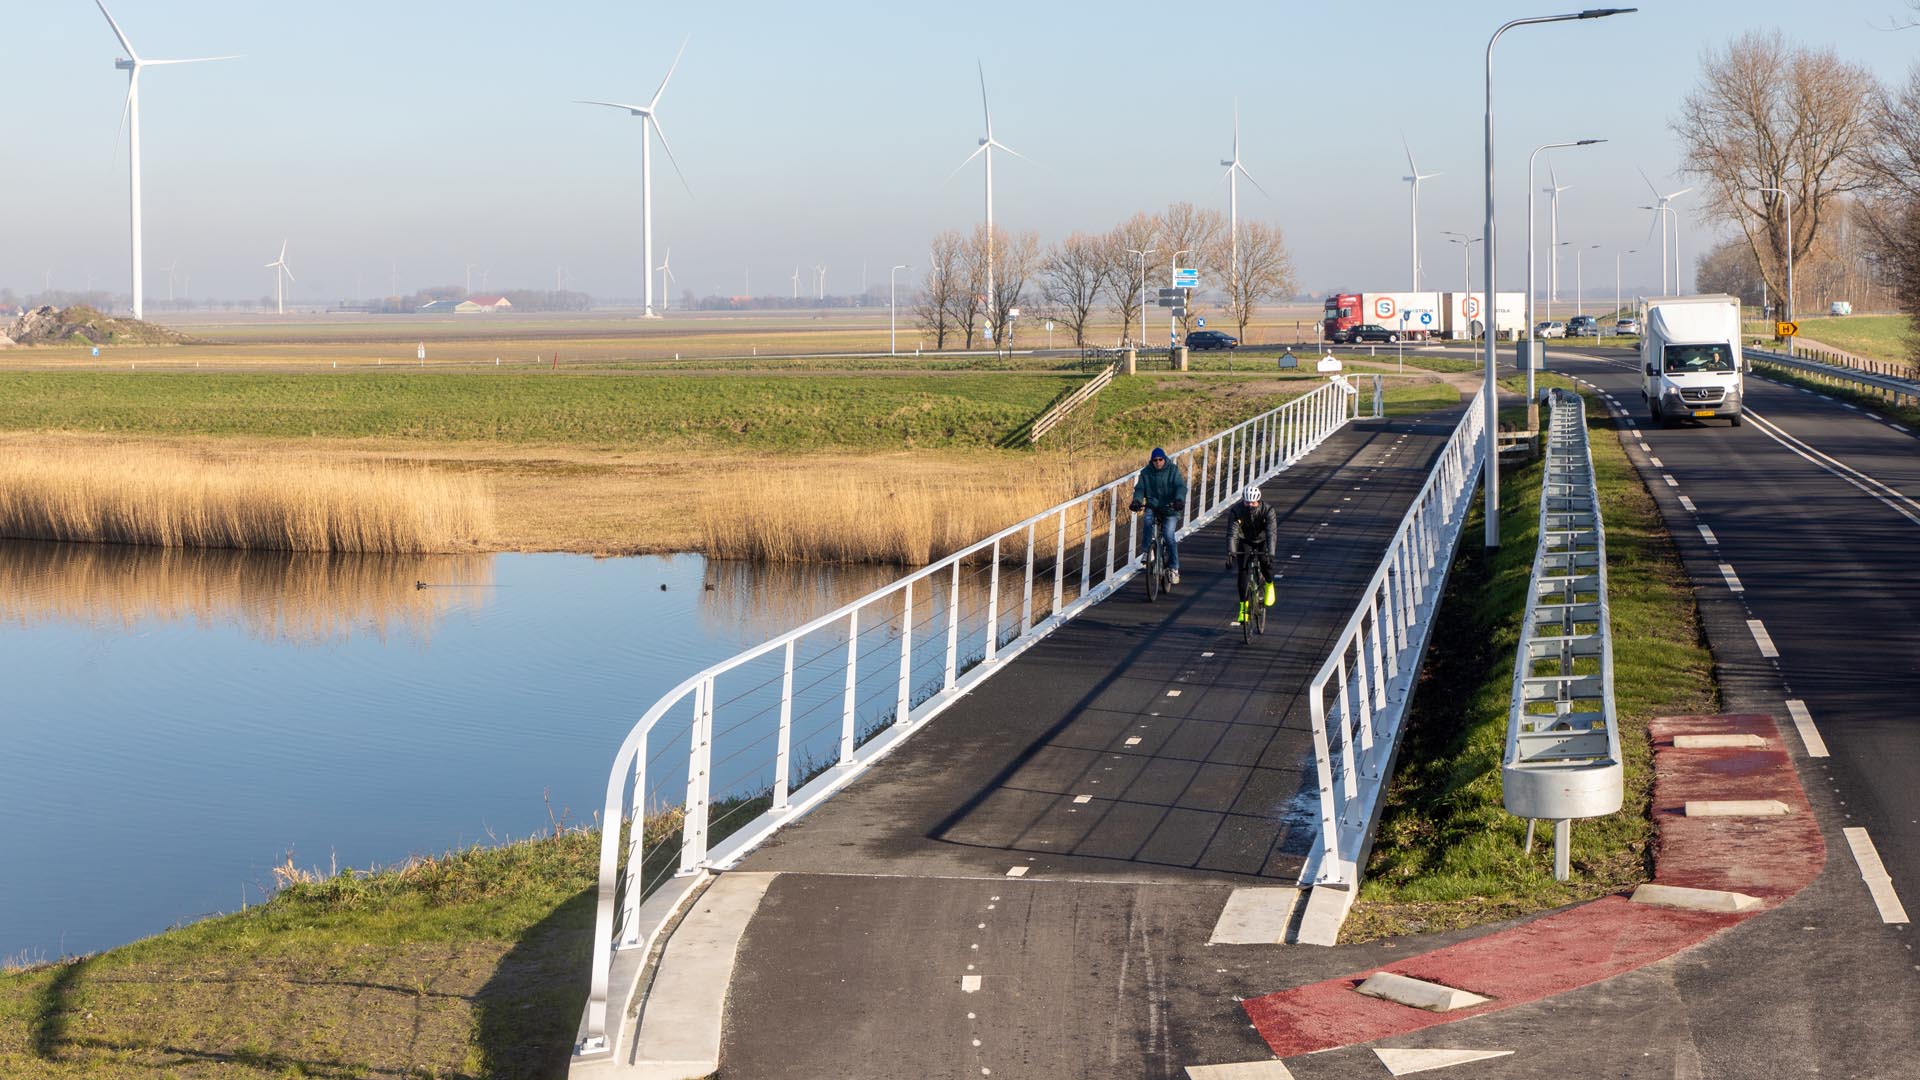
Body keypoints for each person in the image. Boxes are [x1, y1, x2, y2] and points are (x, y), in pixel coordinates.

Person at [1128, 447, 1188, 585]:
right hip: (1153, 506)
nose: (1158, 462)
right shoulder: (1146, 473)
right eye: (1155, 460)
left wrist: (1179, 499)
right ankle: (1147, 551)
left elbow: (1180, 486)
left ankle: (1174, 568)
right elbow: (1140, 489)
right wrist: (1137, 501)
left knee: (1168, 535)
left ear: (1164, 459)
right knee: (1147, 520)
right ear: (1152, 461)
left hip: (1171, 508)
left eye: (1160, 459)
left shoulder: (1173, 470)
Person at [1225, 485, 1278, 623]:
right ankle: (1243, 608)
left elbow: (1271, 533)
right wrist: (1231, 553)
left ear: (1258, 501)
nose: (1250, 506)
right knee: (1243, 571)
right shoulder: (1236, 511)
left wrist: (1271, 553)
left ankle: (1269, 584)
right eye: (1247, 503)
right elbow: (1232, 533)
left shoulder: (1268, 510)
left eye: (1253, 503)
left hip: (1262, 540)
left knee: (1265, 562)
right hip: (1246, 540)